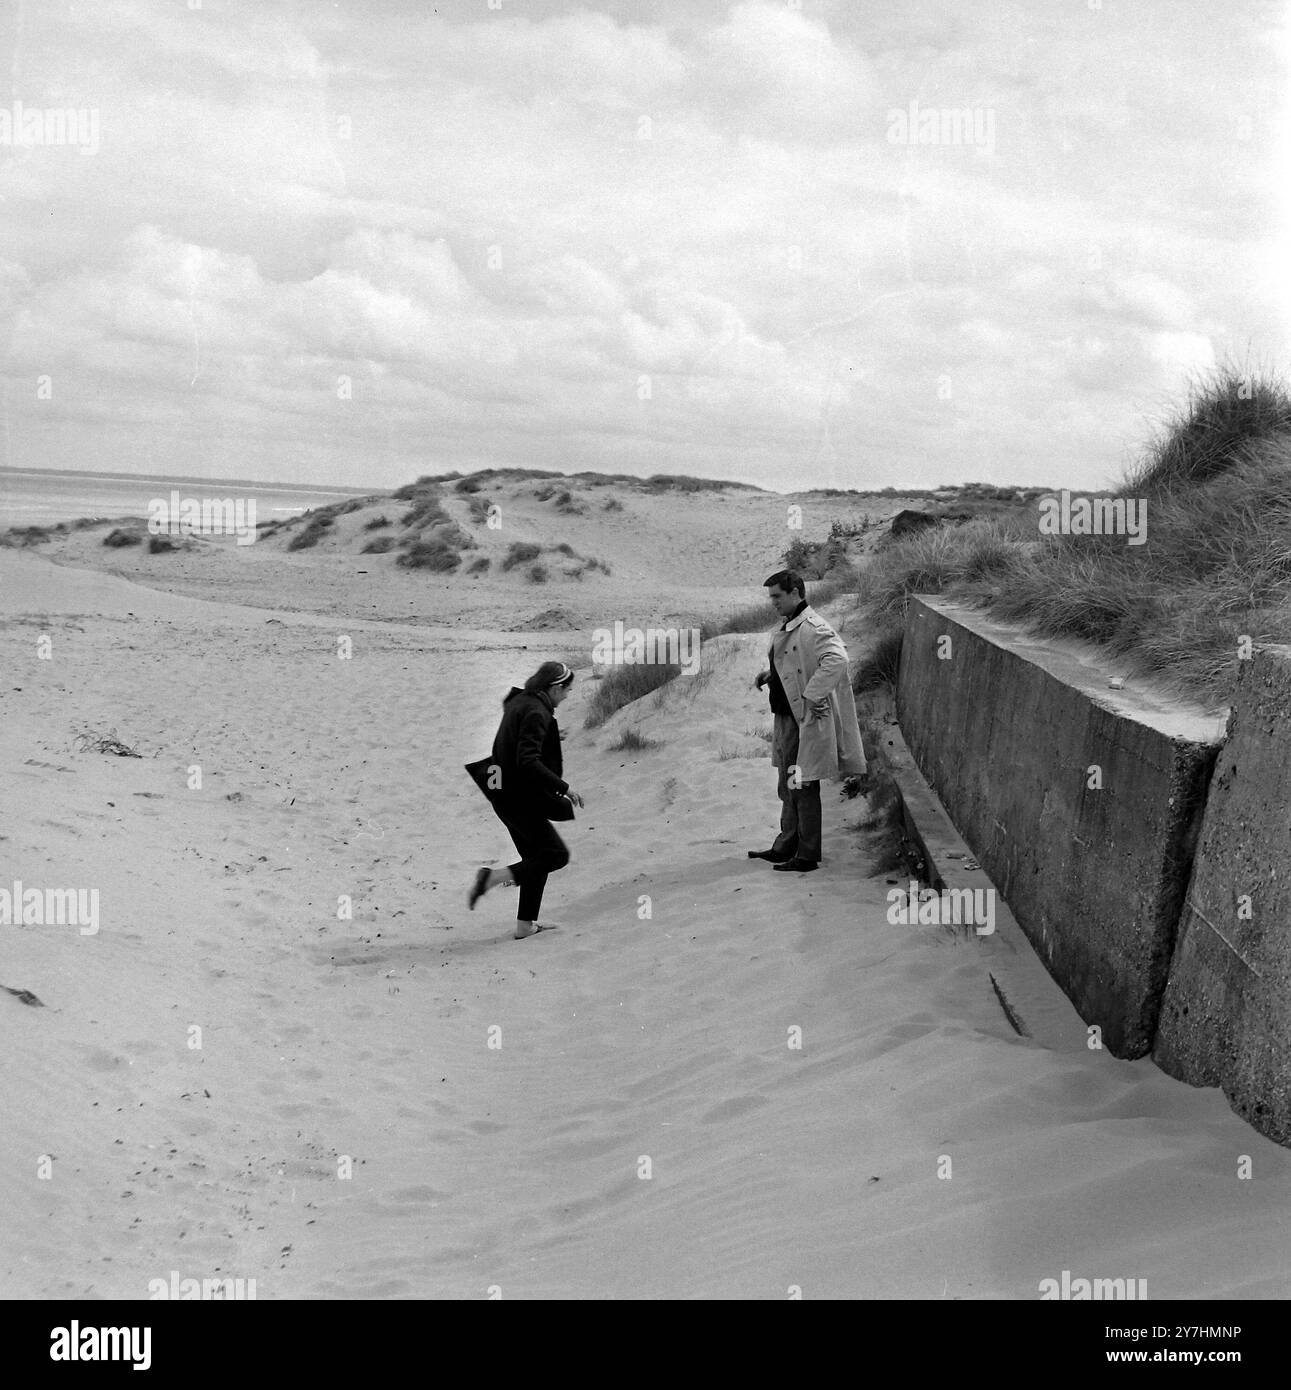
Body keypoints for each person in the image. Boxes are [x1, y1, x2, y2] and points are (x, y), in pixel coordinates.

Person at [750, 570, 866, 872]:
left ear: (796, 592)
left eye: (777, 596)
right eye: (771, 596)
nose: (773, 602)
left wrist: (813, 695)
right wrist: (771, 676)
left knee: (802, 784)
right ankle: (785, 844)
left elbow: (838, 659)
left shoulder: (814, 627)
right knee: (787, 784)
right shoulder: (792, 623)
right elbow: (795, 661)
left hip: (804, 720)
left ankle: (807, 855)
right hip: (787, 717)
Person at [466, 661, 584, 938]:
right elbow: (527, 761)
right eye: (566, 691)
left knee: (536, 858)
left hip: (501, 793)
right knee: (556, 855)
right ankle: (492, 878)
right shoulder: (536, 711)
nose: (567, 696)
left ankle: (525, 925)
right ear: (555, 688)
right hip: (519, 798)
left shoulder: (522, 700)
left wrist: (552, 737)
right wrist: (564, 788)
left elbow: (521, 738)